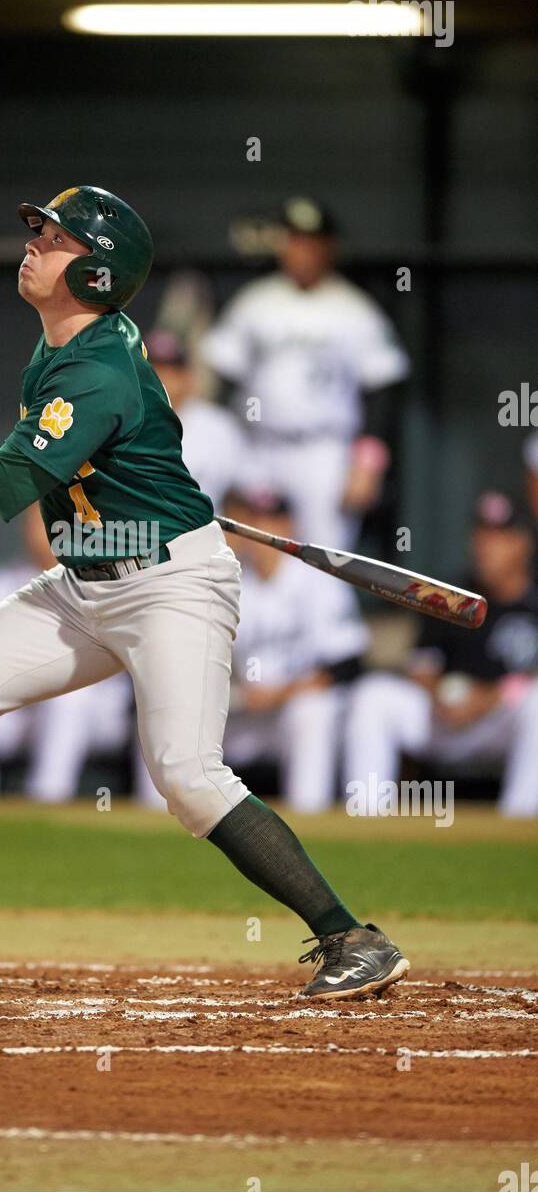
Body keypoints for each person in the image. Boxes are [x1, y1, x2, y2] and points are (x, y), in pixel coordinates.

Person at [0, 183, 409, 999]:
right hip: (88, 579)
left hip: (170, 587)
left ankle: (352, 938)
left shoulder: (96, 371)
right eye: (39, 233)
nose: (33, 244)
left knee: (189, 780)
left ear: (96, 274)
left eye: (53, 240)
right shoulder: (68, 345)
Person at [199, 196, 409, 548]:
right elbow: (220, 378)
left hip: (324, 451)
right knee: (250, 555)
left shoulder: (355, 309)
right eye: (294, 240)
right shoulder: (255, 302)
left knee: (327, 557)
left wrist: (368, 463)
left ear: (329, 247)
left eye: (311, 242)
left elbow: (383, 389)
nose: (302, 251)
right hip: (261, 446)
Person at [344, 491, 538, 818]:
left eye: (499, 536)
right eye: (481, 533)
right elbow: (421, 665)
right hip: (443, 716)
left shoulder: (533, 604)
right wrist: (439, 695)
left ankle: (518, 821)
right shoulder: (452, 596)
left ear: (523, 543)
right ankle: (366, 817)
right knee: (372, 695)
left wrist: (489, 698)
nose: (485, 545)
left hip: (498, 720)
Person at [0, 506, 133, 805]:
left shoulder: (107, 578)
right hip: (20, 707)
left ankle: (46, 802)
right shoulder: (0, 582)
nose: (46, 530)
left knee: (68, 699)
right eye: (38, 520)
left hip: (96, 708)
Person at [221, 488, 369, 812]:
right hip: (245, 709)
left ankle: (307, 819)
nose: (262, 531)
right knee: (177, 709)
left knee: (311, 713)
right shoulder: (228, 579)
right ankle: (158, 823)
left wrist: (282, 693)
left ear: (289, 527)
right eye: (254, 521)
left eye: (272, 520)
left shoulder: (318, 581)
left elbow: (348, 664)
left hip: (296, 706)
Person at [144, 329, 251, 512]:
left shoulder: (219, 427)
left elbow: (245, 491)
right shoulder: (120, 422)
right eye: (153, 369)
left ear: (188, 376)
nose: (163, 379)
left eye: (172, 371)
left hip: (205, 531)